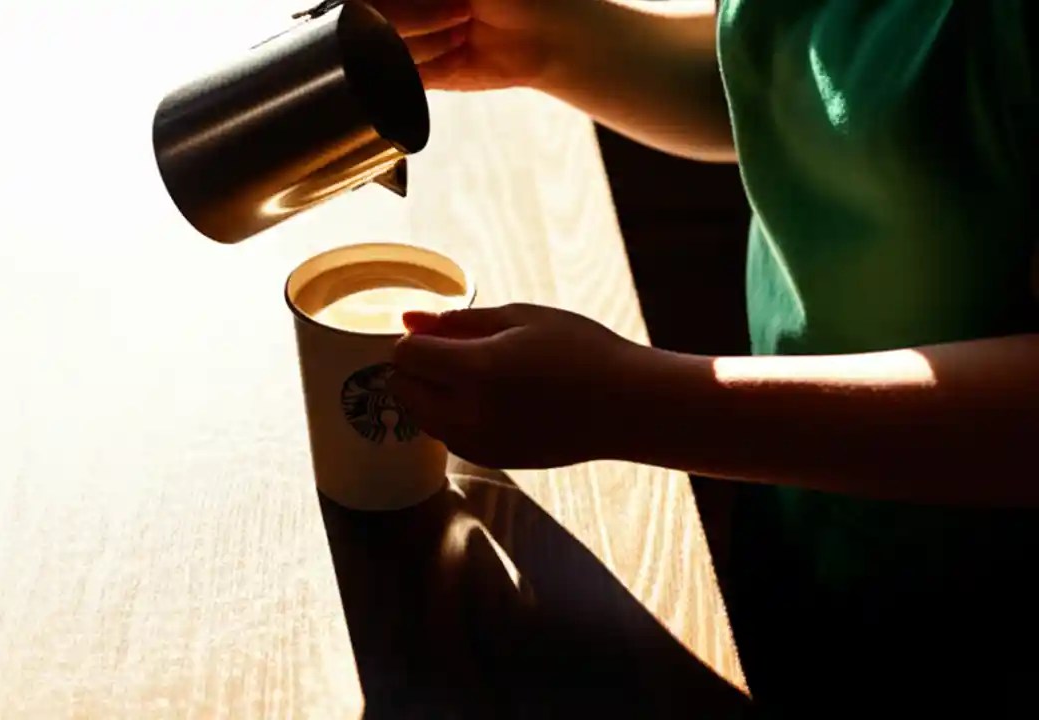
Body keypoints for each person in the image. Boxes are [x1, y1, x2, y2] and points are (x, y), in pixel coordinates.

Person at [375, 0, 1038, 714]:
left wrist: (637, 404)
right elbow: (808, 81)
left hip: (972, 630)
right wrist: (536, 40)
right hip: (795, 529)